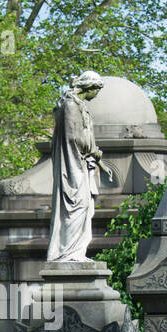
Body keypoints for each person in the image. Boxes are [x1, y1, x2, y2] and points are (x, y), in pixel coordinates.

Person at [46, 71, 105, 262]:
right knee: (77, 205)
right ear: (90, 87)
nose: (97, 95)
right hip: (72, 167)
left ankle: (76, 252)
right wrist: (93, 151)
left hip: (79, 162)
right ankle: (68, 253)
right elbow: (75, 137)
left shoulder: (75, 104)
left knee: (84, 206)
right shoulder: (71, 105)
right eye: (97, 90)